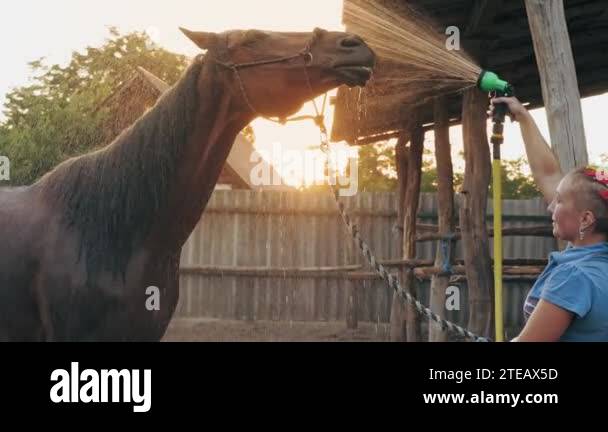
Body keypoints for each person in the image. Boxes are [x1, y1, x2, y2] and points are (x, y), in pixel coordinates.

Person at [490, 96, 608, 342]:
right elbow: (549, 174)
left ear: (586, 219)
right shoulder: (596, 261)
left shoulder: (574, 277)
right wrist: (522, 117)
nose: (550, 207)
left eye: (560, 201)